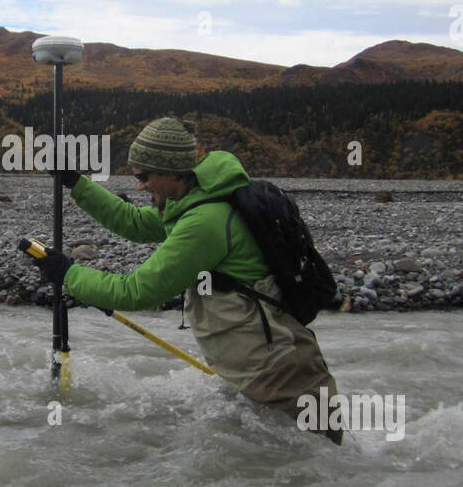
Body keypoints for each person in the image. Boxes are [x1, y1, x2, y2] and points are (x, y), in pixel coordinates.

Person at [32, 117, 343, 444]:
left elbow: (136, 291)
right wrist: (76, 183)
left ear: (170, 171)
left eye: (143, 176)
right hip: (262, 376)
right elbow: (135, 222)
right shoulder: (197, 199)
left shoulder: (205, 222)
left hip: (282, 382)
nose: (139, 187)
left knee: (311, 476)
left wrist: (68, 273)